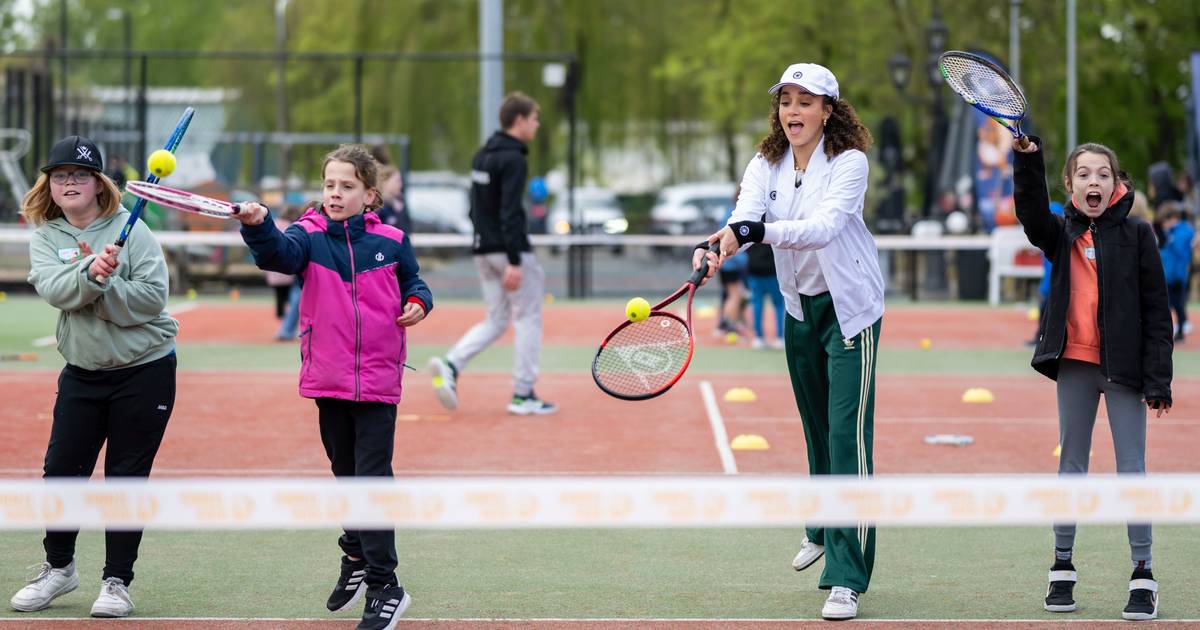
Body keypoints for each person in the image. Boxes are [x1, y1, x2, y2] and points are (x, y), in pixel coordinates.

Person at [697, 63, 882, 621]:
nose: (794, 111)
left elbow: (822, 229)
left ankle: (847, 578)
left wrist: (756, 233)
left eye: (807, 101)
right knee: (817, 431)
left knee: (847, 438)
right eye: (786, 102)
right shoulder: (766, 162)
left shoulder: (850, 163)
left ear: (829, 111)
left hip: (851, 314)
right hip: (799, 310)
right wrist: (720, 242)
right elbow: (745, 215)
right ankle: (823, 526)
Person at [234, 144, 431, 630]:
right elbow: (277, 256)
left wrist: (418, 303)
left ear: (369, 194)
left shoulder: (392, 239)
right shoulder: (306, 235)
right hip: (329, 376)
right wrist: (259, 225)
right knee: (346, 475)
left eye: (346, 186)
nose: (335, 194)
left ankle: (386, 585)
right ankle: (355, 552)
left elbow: (417, 284)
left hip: (381, 380)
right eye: (329, 185)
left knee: (372, 479)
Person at [11, 136, 179, 618]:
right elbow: (56, 291)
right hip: (82, 372)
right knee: (62, 472)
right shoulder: (46, 235)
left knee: (126, 477)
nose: (69, 183)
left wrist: (108, 284)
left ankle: (116, 582)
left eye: (79, 175)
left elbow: (150, 301)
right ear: (50, 184)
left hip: (144, 370)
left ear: (98, 183)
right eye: (59, 175)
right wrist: (92, 271)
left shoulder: (135, 230)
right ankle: (59, 569)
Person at [1013, 135, 1172, 621]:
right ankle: (1062, 566)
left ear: (1118, 183)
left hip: (1123, 371)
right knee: (1071, 467)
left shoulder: (1139, 233)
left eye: (1103, 173)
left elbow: (1157, 312)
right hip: (1076, 368)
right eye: (1084, 174)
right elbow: (1030, 212)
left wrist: (1158, 379)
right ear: (1070, 184)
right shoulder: (1059, 233)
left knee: (1132, 470)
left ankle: (1142, 572)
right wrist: (1029, 160)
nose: (1094, 181)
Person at [428, 91, 555, 415]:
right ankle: (523, 394)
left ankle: (451, 364)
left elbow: (475, 209)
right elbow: (511, 211)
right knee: (528, 318)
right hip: (507, 252)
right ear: (519, 120)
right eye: (534, 119)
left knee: (497, 319)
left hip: (482, 249)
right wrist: (514, 260)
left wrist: (483, 241)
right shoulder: (514, 158)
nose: (537, 125)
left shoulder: (482, 154)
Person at [1157, 201, 1194, 342]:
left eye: (1165, 221)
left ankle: (1181, 330)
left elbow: (1180, 252)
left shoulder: (1184, 231)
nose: (1163, 225)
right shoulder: (1171, 232)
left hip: (1178, 275)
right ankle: (1175, 330)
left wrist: (1170, 239)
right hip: (1168, 274)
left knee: (1177, 304)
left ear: (1173, 218)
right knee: (1169, 305)